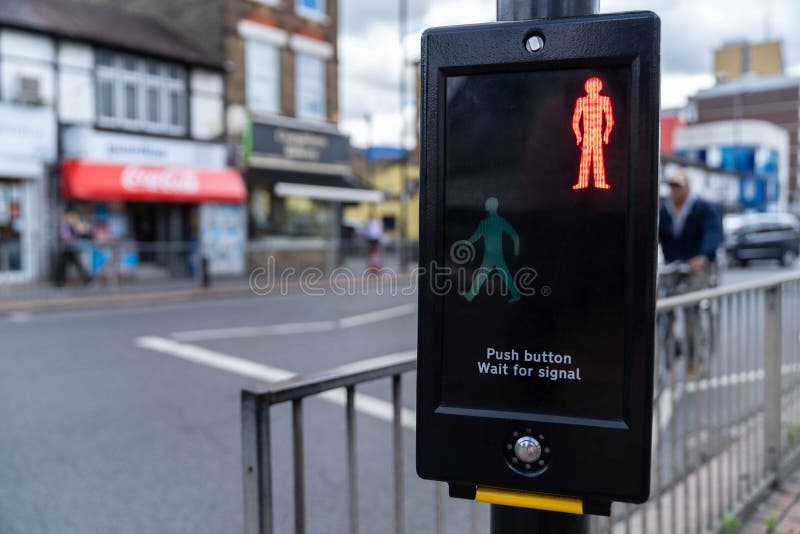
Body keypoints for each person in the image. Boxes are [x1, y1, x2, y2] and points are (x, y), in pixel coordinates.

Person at [658, 169, 723, 376]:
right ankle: (666, 355)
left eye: (678, 186)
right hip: (673, 266)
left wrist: (703, 256)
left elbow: (713, 232)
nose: (674, 191)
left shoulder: (702, 208)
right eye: (671, 187)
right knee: (662, 307)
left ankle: (695, 360)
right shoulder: (663, 211)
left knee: (692, 309)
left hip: (697, 265)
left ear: (687, 187)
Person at [464, 197, 521, 303]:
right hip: (491, 255)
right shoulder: (487, 222)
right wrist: (466, 243)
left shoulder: (492, 222)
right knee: (488, 275)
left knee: (489, 275)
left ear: (490, 206)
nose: (485, 206)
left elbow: (515, 235)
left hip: (493, 255)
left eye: (487, 204)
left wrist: (466, 243)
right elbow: (515, 235)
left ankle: (470, 295)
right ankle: (470, 295)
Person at [572, 76, 615, 190]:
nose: (593, 89)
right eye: (591, 86)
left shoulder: (604, 100)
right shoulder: (581, 101)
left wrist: (606, 134)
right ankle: (582, 183)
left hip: (597, 133)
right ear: (587, 88)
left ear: (599, 87)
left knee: (598, 158)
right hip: (587, 134)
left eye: (595, 86)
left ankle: (600, 183)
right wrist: (578, 135)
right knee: (585, 159)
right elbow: (575, 121)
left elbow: (610, 119)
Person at [55, 211, 92, 287]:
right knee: (63, 266)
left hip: (73, 250)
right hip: (66, 250)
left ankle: (87, 280)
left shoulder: (76, 227)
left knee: (78, 265)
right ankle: (58, 283)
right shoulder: (65, 227)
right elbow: (64, 238)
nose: (72, 220)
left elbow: (85, 232)